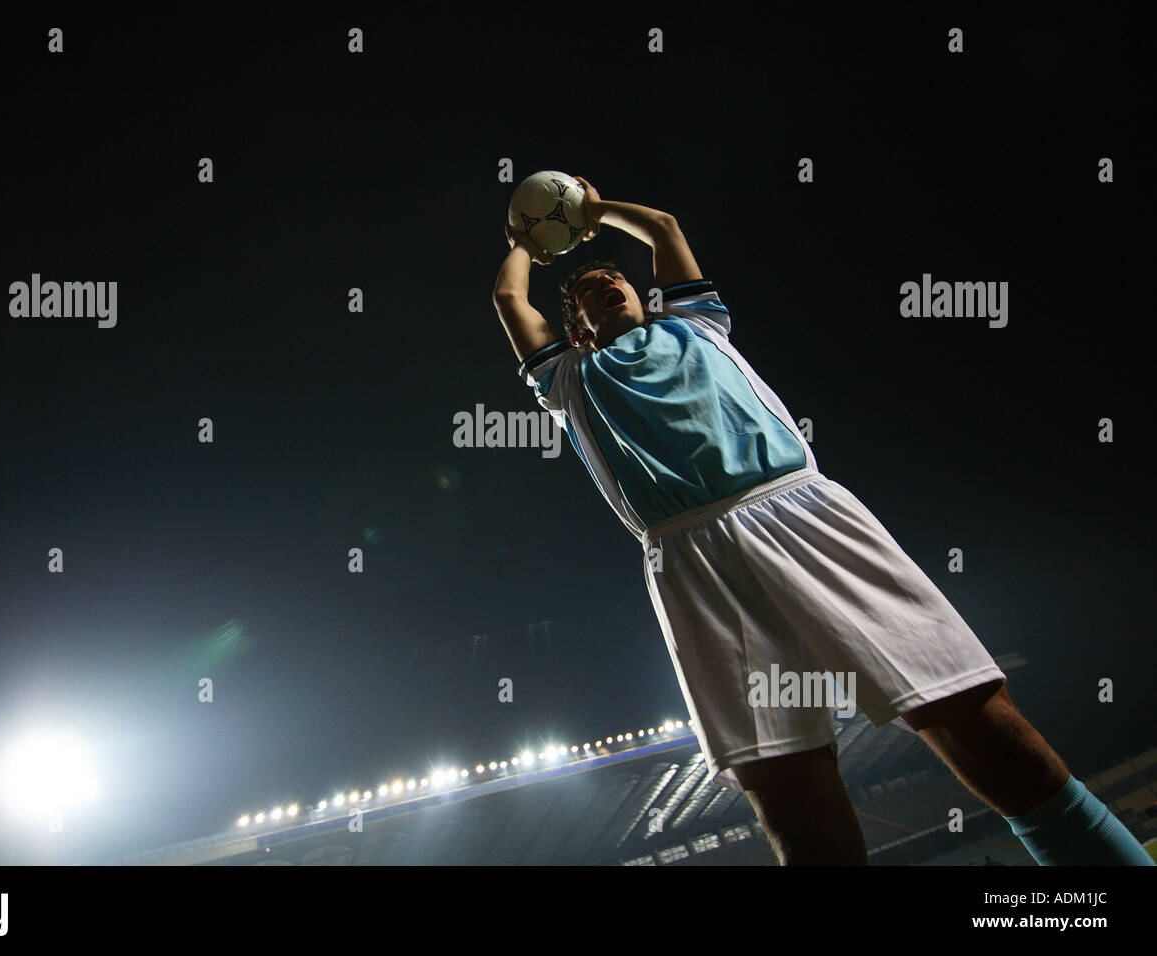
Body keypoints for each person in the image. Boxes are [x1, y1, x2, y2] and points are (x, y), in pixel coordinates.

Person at [491, 175, 1153, 866]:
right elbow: (510, 297)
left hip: (803, 512)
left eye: (613, 280)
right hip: (694, 560)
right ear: (576, 329)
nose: (607, 286)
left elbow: (661, 226)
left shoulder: (698, 324)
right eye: (591, 290)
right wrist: (526, 242)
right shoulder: (568, 381)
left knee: (971, 717)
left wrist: (591, 210)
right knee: (787, 796)